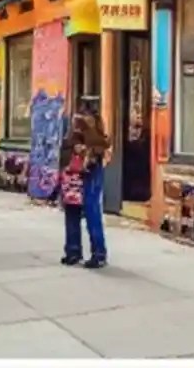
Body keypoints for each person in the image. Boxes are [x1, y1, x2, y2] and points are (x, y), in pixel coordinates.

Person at [71, 103, 111, 268]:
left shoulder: (87, 124)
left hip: (90, 169)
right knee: (89, 210)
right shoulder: (94, 124)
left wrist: (85, 151)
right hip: (88, 169)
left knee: (91, 210)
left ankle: (98, 253)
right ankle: (96, 252)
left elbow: (102, 144)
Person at [59, 114, 90, 265]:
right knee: (75, 218)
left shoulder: (71, 141)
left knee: (71, 219)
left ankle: (73, 251)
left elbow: (64, 162)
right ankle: (74, 250)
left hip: (71, 187)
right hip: (79, 187)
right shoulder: (84, 143)